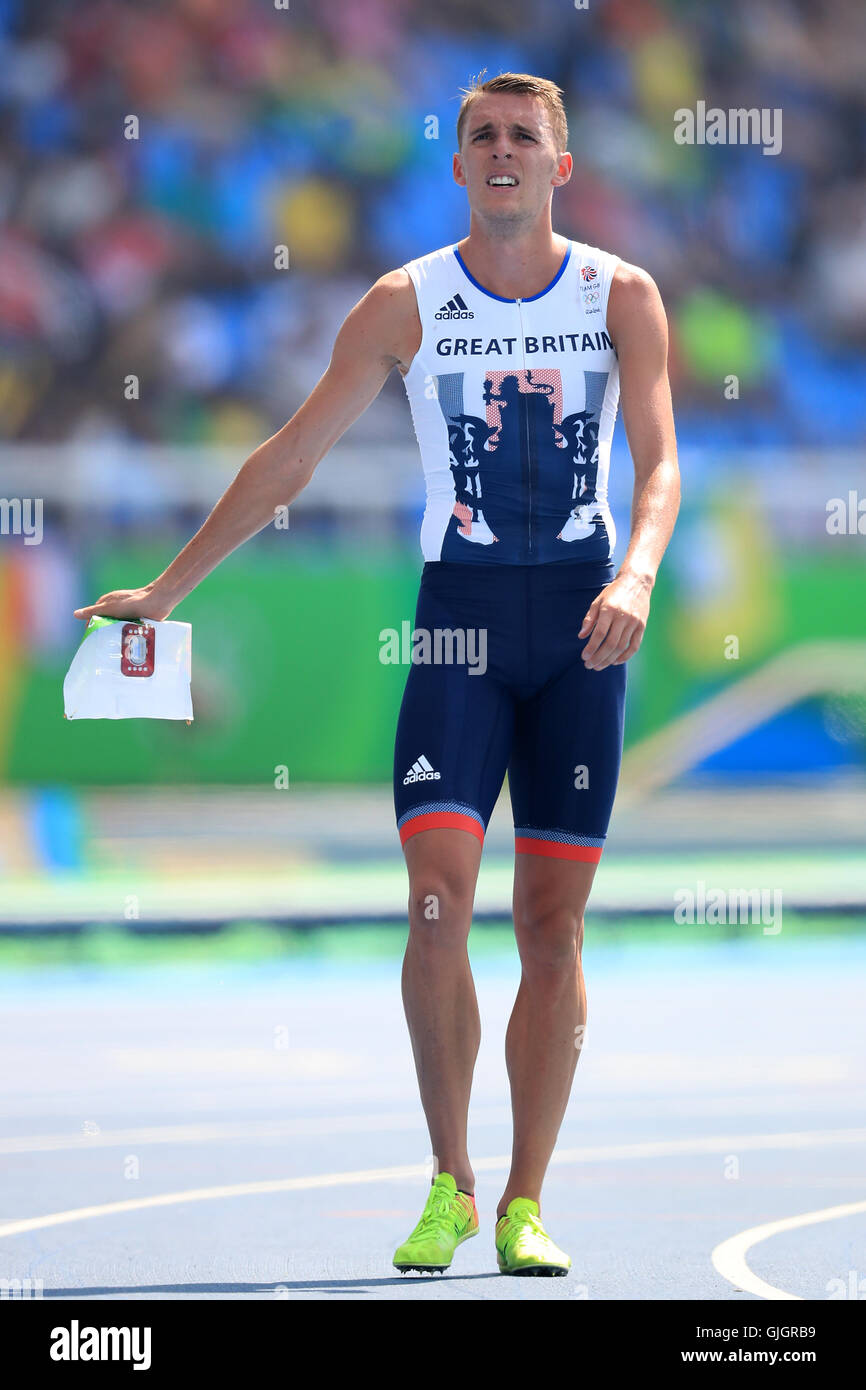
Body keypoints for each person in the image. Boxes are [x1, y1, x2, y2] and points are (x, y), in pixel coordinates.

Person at [74, 71, 680, 1279]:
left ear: (560, 166)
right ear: (454, 166)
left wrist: (640, 577)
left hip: (579, 630)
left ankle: (525, 1200)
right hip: (454, 627)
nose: (500, 152)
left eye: (522, 137)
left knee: (550, 925)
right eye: (479, 138)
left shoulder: (624, 295)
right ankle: (450, 1182)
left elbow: (660, 465)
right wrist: (167, 591)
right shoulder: (404, 302)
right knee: (435, 899)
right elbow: (289, 458)